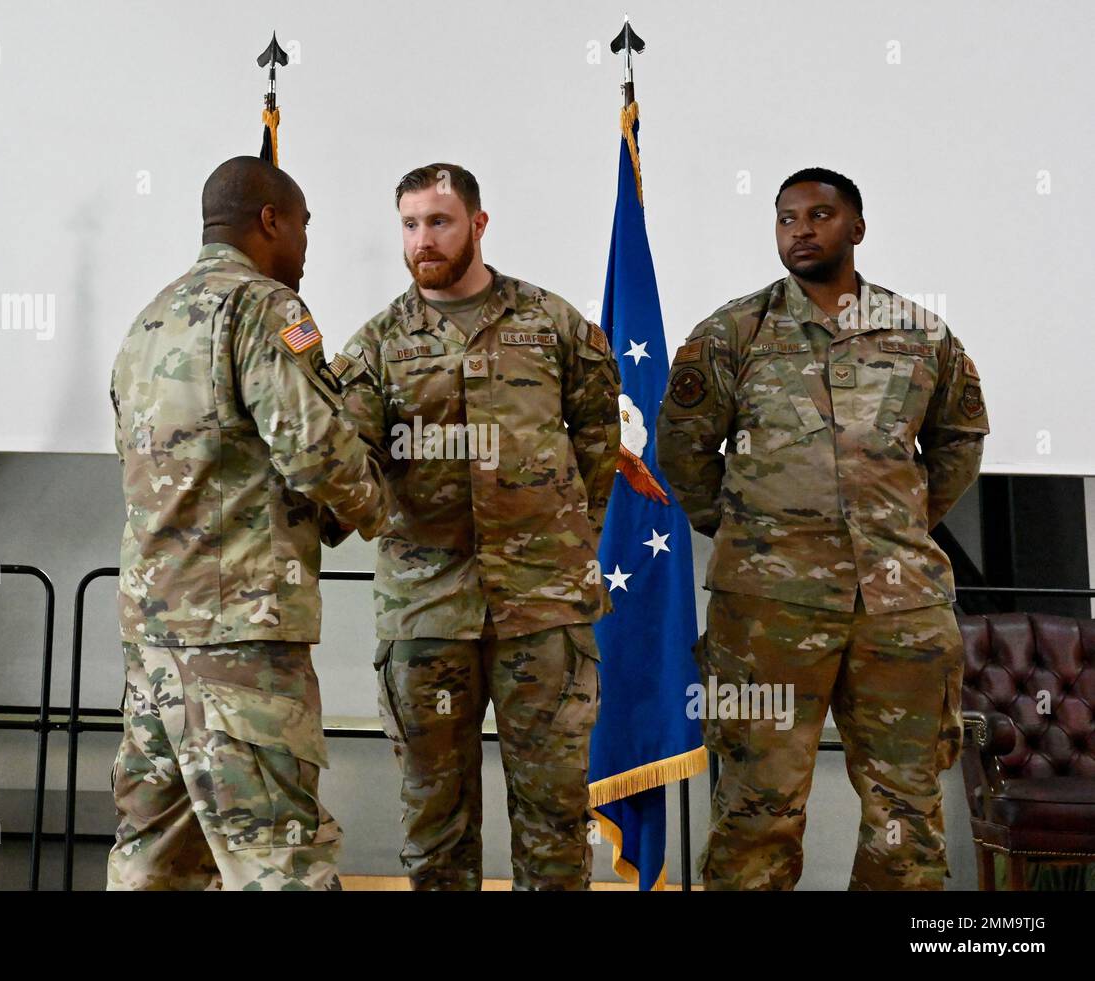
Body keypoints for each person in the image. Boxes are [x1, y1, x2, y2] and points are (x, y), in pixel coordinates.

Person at [655, 167, 990, 890]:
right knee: (756, 809)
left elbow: (961, 436)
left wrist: (898, 523)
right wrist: (750, 532)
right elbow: (682, 452)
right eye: (786, 217)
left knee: (907, 814)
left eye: (819, 214)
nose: (800, 229)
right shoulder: (730, 333)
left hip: (899, 611)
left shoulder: (921, 332)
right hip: (766, 616)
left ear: (857, 228)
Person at [330, 163, 621, 890]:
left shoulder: (551, 322)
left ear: (478, 225)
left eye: (439, 221)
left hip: (543, 611)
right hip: (427, 610)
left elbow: (597, 437)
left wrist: (557, 533)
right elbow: (346, 461)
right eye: (410, 224)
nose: (422, 239)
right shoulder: (375, 347)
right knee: (435, 827)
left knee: (554, 822)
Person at [107, 156, 392, 890]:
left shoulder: (148, 322)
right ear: (269, 220)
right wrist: (382, 505)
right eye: (301, 226)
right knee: (278, 856)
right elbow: (315, 449)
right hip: (240, 641)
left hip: (153, 643)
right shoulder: (264, 308)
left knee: (153, 861)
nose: (304, 244)